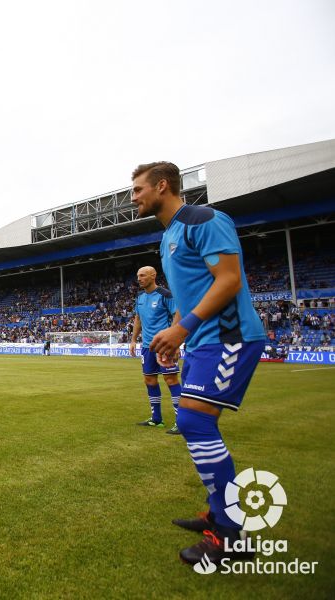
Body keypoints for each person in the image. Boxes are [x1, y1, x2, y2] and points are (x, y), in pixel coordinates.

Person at [132, 162, 265, 566]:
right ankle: (218, 512)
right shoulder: (169, 235)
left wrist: (183, 328)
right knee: (197, 423)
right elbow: (190, 296)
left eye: (138, 189)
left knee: (193, 422)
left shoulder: (204, 219)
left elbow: (229, 280)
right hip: (203, 341)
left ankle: (230, 534)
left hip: (230, 337)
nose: (133, 197)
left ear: (162, 185)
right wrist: (177, 334)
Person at [129, 266, 183, 434]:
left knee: (171, 381)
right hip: (147, 347)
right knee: (150, 381)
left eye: (143, 275)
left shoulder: (165, 295)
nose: (139, 278)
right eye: (138, 275)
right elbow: (138, 318)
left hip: (164, 346)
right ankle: (156, 419)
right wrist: (132, 340)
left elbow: (178, 314)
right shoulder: (139, 297)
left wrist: (174, 340)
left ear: (153, 276)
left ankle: (182, 422)